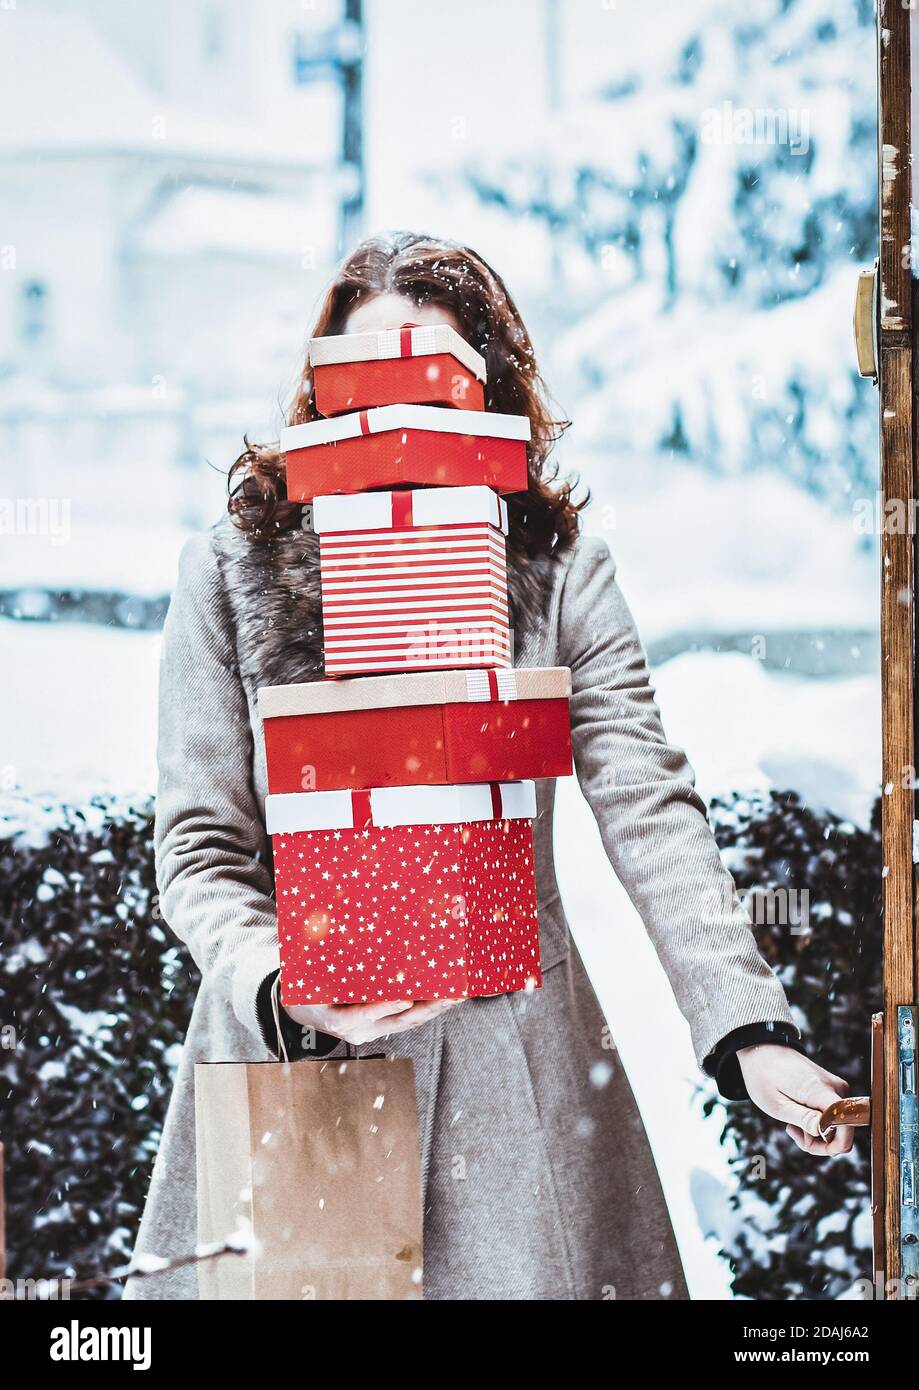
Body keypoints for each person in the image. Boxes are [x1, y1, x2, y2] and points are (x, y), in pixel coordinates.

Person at [126, 232, 853, 1302]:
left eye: (433, 378)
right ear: (322, 393)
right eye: (368, 376)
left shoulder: (556, 570)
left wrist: (748, 1030)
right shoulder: (231, 570)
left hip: (516, 1072)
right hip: (301, 1070)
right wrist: (283, 986)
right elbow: (197, 848)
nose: (397, 413)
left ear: (487, 394)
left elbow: (648, 804)